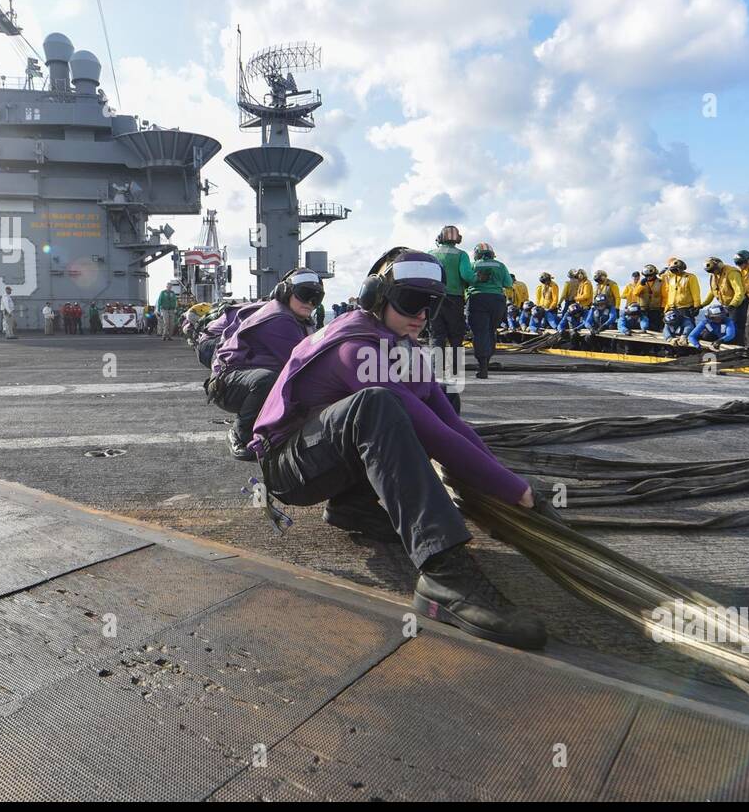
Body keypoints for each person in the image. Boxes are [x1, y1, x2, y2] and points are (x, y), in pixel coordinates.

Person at [250, 248, 547, 650]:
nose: (422, 314)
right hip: (289, 467)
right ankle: (445, 575)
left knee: (435, 397)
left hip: (324, 454)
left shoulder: (400, 344)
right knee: (377, 406)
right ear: (377, 297)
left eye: (431, 303)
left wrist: (509, 482)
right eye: (411, 301)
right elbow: (433, 436)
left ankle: (351, 506)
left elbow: (450, 423)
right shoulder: (356, 347)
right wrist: (513, 491)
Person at [207, 268, 323, 460]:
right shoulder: (281, 319)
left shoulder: (298, 319)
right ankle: (240, 433)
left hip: (243, 378)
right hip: (229, 384)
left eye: (316, 298)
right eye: (305, 295)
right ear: (285, 292)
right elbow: (305, 365)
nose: (310, 303)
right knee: (270, 380)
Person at [427, 226, 474, 401]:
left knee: (436, 336)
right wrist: (477, 279)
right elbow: (467, 275)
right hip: (455, 299)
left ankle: (436, 375)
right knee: (456, 336)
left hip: (434, 298)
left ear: (439, 237)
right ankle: (454, 374)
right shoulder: (461, 255)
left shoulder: (431, 254)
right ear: (457, 239)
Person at [464, 242, 512, 379]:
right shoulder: (500, 265)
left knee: (480, 333)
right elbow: (508, 284)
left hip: (477, 299)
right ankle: (487, 363)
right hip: (497, 301)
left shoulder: (473, 265)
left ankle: (483, 366)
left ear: (477, 254)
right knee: (491, 331)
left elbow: (466, 279)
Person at [700, 256, 748, 343]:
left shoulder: (732, 273)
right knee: (724, 326)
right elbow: (713, 292)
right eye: (710, 271)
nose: (713, 272)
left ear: (719, 265)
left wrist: (733, 305)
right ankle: (725, 343)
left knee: (736, 327)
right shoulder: (714, 276)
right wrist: (702, 305)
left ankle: (740, 347)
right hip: (726, 306)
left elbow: (739, 291)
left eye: (714, 270)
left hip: (738, 305)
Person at [628, 264, 666, 331]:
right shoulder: (641, 282)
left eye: (650, 275)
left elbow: (665, 296)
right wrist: (641, 285)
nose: (648, 277)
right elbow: (635, 293)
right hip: (643, 309)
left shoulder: (661, 282)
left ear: (654, 274)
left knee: (655, 327)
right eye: (646, 276)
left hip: (656, 309)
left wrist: (663, 307)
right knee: (643, 326)